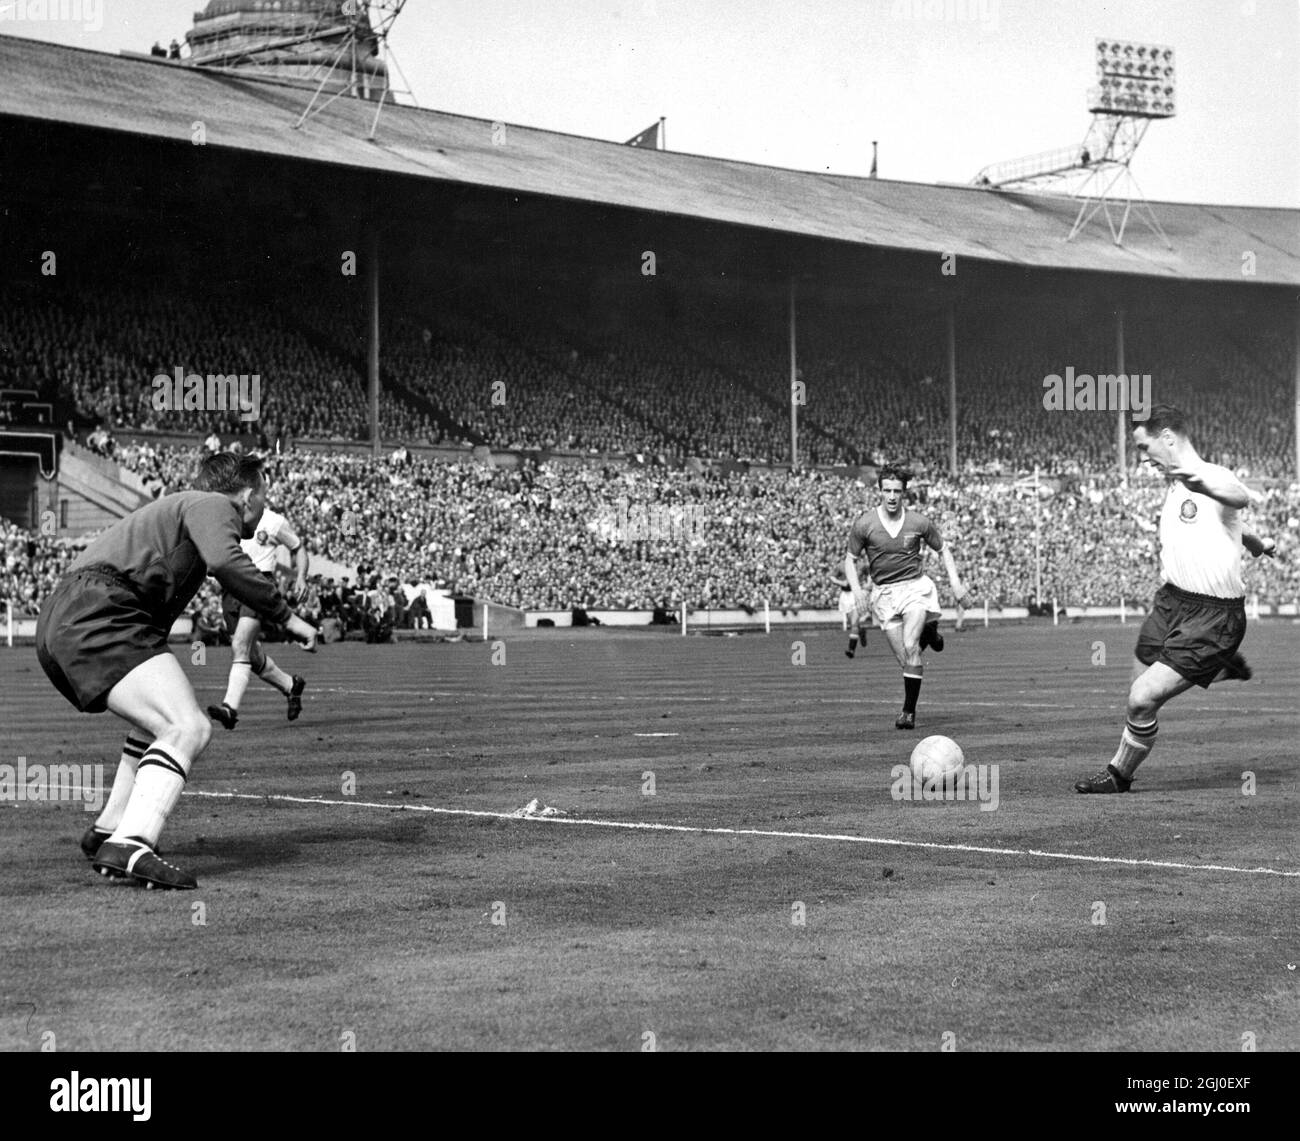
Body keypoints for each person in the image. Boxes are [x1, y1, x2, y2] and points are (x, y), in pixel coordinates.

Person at [34, 452, 317, 889]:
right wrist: (287, 616)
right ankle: (132, 842)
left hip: (69, 616)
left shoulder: (184, 514)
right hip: (97, 610)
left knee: (154, 726)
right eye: (263, 495)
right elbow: (227, 561)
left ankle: (110, 828)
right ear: (246, 496)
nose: (264, 507)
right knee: (189, 727)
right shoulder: (212, 504)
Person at [1075, 405, 1274, 793]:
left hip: (1213, 616)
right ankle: (1217, 668)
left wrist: (1200, 482)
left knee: (1141, 698)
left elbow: (1237, 497)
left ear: (1167, 437)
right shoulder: (1175, 482)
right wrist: (1257, 543)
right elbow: (1229, 521)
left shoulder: (1211, 476)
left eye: (1145, 446)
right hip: (1171, 603)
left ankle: (1119, 775)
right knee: (1138, 684)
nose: (1143, 457)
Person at [845, 465, 974, 729]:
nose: (891, 496)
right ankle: (931, 635)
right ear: (879, 491)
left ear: (904, 493)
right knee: (906, 660)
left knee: (911, 645)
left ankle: (908, 713)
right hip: (883, 596)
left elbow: (944, 549)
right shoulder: (865, 524)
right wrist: (858, 591)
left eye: (897, 491)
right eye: (887, 490)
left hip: (915, 588)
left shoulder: (919, 522)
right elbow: (849, 560)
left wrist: (956, 585)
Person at [207, 485, 310, 730]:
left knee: (239, 646)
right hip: (231, 587)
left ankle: (229, 709)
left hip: (258, 584)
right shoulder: (228, 518)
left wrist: (301, 577)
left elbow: (298, 548)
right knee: (251, 656)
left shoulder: (274, 521)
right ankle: (290, 686)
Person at [835, 567, 870, 658]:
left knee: (854, 624)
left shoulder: (862, 564)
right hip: (845, 596)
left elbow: (870, 574)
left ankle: (851, 650)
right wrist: (840, 582)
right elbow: (831, 577)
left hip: (856, 594)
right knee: (853, 624)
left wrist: (867, 584)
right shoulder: (841, 564)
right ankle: (861, 631)